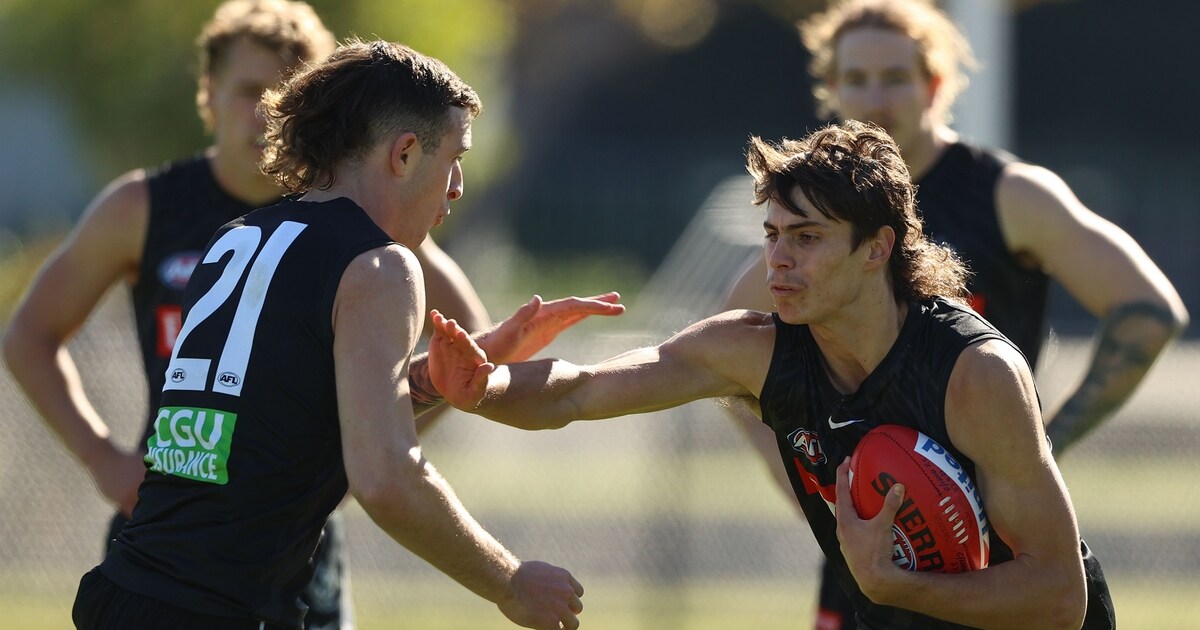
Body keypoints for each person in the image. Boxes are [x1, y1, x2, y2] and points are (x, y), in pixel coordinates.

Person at [429, 120, 1115, 630]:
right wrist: (481, 388)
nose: (777, 262)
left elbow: (1058, 595)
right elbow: (578, 391)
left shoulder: (975, 372)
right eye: (773, 235)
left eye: (807, 238)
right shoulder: (752, 350)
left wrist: (891, 585)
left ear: (878, 247)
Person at [63, 38, 627, 629]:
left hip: (125, 591)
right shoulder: (380, 265)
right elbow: (385, 478)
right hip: (217, 611)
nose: (457, 185)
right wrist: (509, 580)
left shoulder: (238, 236)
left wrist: (435, 379)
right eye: (453, 156)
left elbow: (284, 417)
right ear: (404, 153)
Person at [1, 2, 490, 628]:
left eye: (291, 90)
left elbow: (470, 344)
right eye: (250, 90)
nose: (268, 110)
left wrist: (361, 448)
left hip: (294, 547)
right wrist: (104, 460)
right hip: (172, 532)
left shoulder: (360, 225)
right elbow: (29, 337)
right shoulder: (146, 205)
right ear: (207, 93)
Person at [718, 1, 1188, 627]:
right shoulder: (821, 221)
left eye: (895, 77)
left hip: (993, 556)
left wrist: (1051, 435)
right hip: (874, 556)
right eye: (855, 80)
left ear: (935, 85)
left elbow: (1148, 311)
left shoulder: (1006, 194)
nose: (874, 96)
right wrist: (825, 495)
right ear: (830, 91)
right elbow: (726, 358)